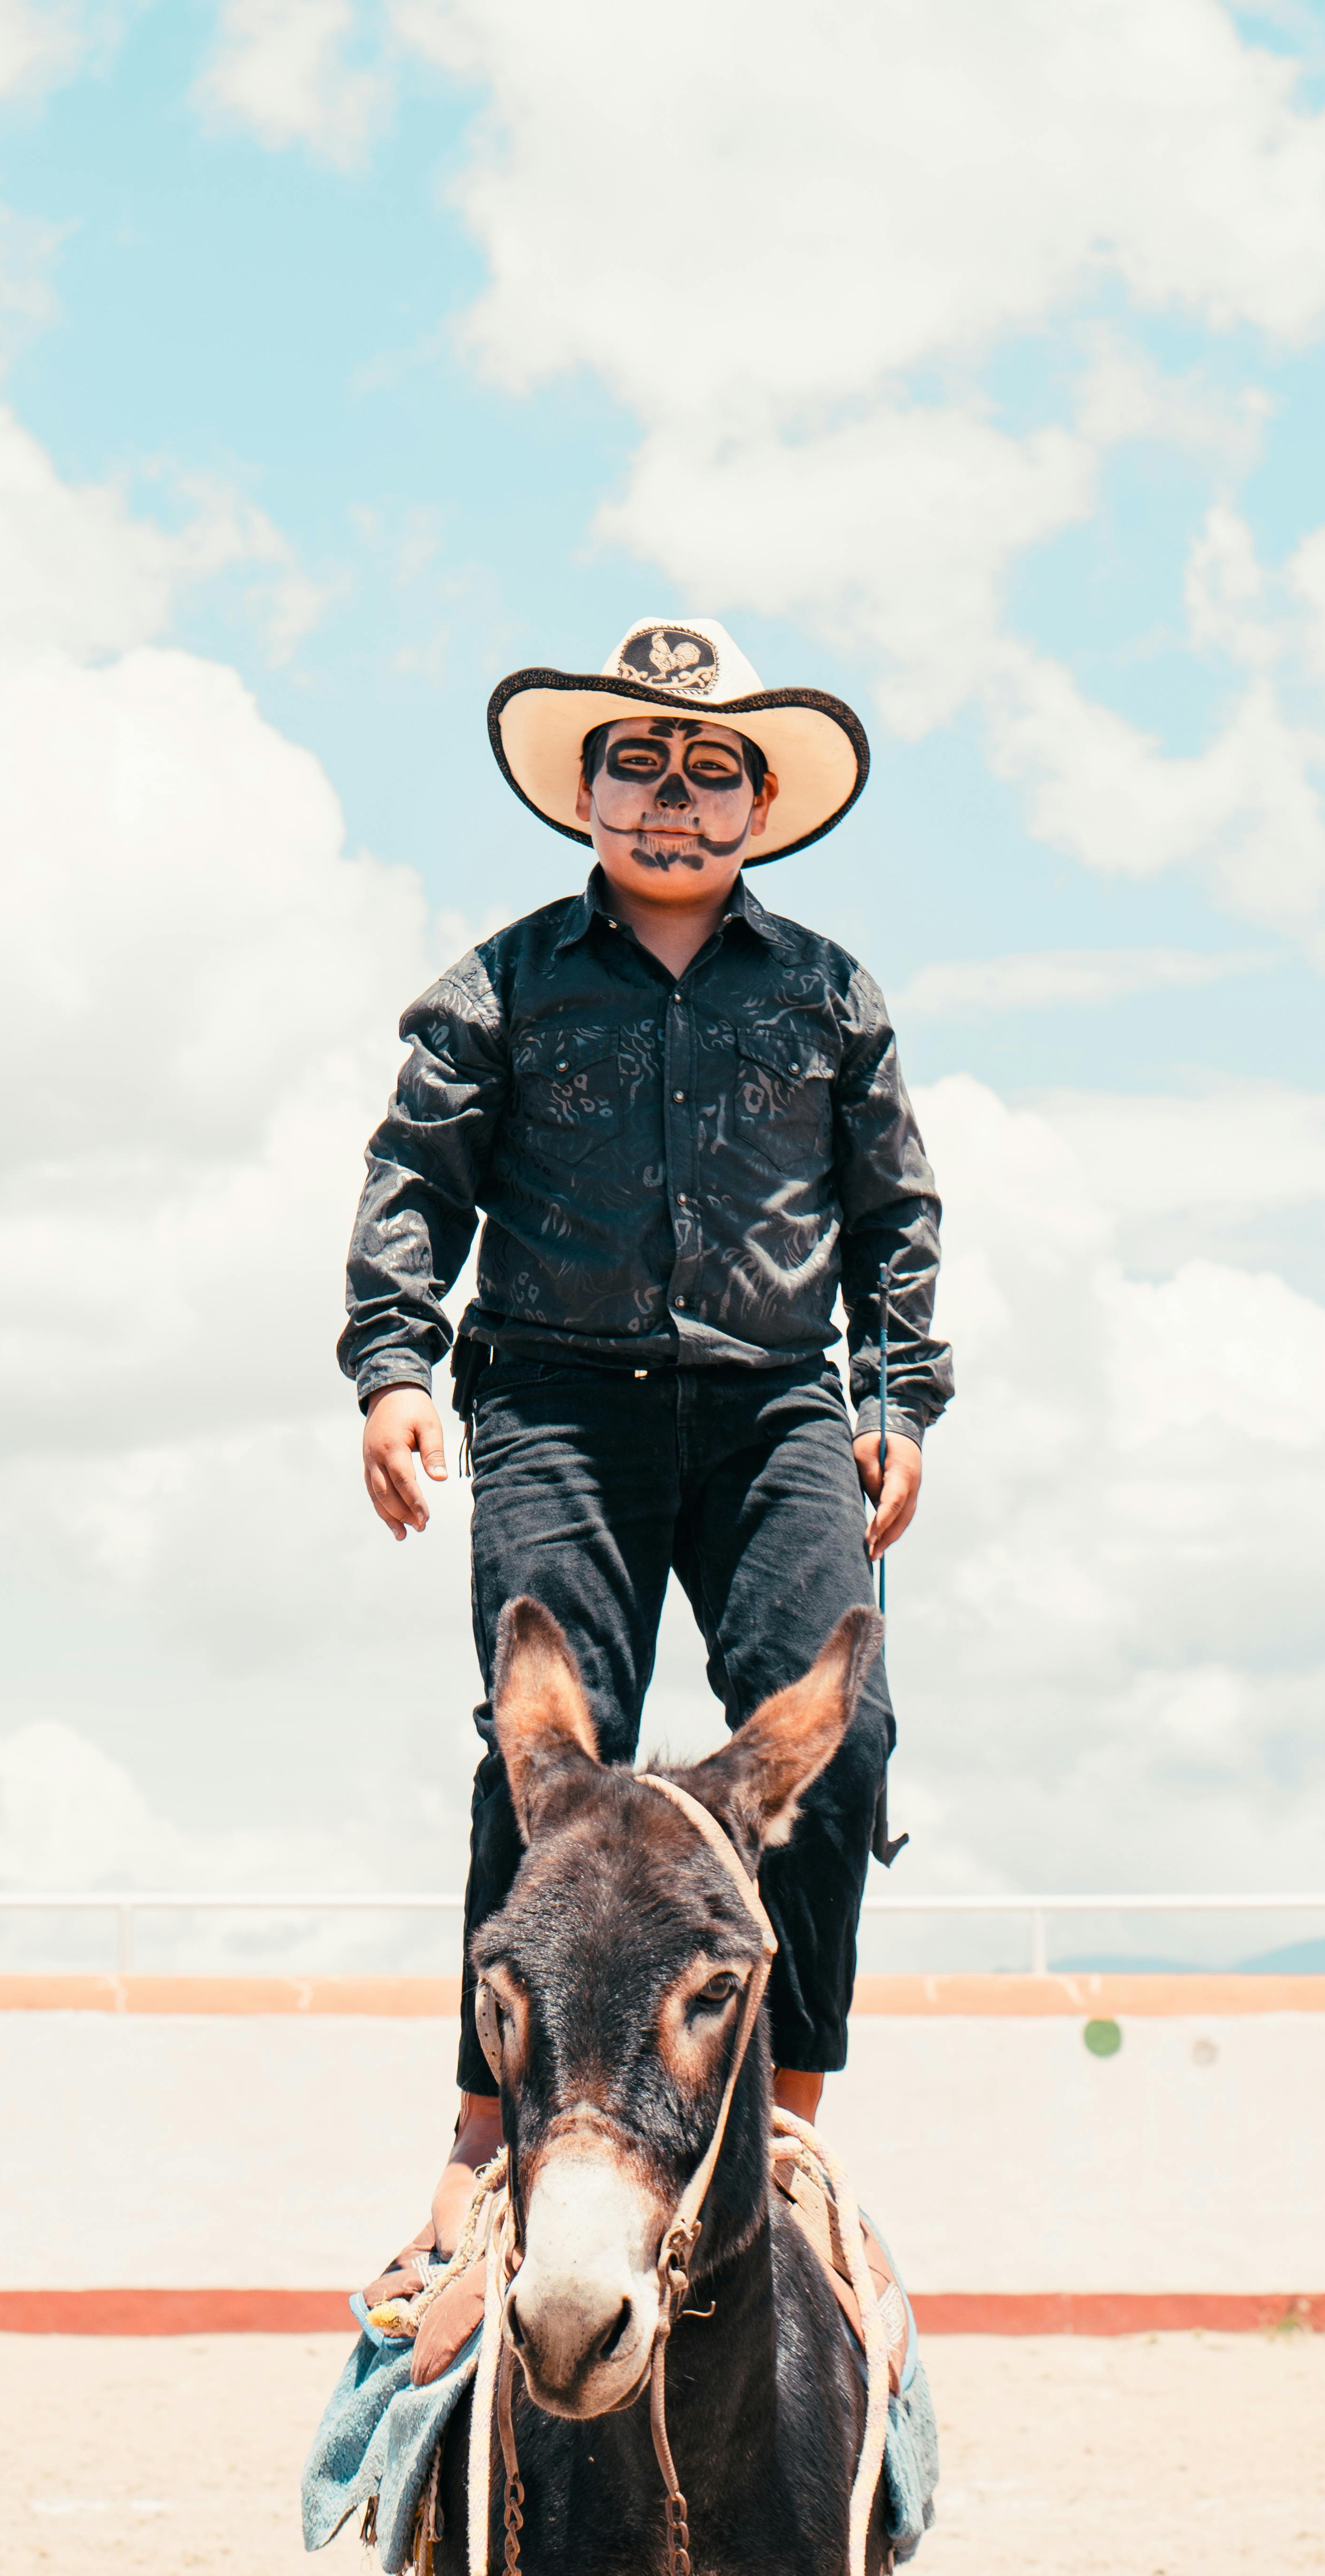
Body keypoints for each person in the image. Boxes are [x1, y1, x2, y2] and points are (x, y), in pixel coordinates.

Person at [339, 616, 952, 2265]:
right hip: (552, 1400)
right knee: (546, 1760)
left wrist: (894, 1395)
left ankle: (794, 2122)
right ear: (585, 791)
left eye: (709, 771)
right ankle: (486, 2136)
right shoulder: (505, 983)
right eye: (638, 764)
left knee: (846, 1743)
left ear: (758, 801)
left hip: (771, 1410)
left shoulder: (831, 994)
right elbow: (416, 1179)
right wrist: (396, 1366)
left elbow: (895, 1219)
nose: (671, 801)